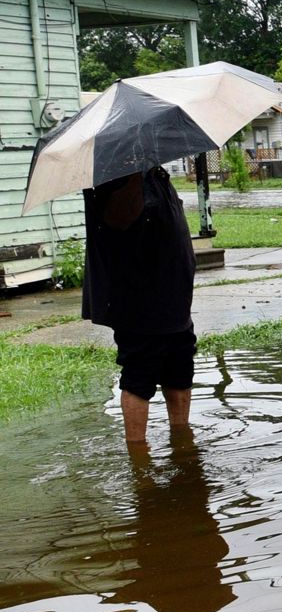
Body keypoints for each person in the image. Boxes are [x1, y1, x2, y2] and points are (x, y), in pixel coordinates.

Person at [82, 167, 197, 443]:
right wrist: (133, 173)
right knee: (139, 374)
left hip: (175, 297)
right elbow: (119, 219)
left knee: (180, 371)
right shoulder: (115, 174)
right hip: (139, 300)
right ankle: (139, 458)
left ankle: (182, 444)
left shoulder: (154, 171)